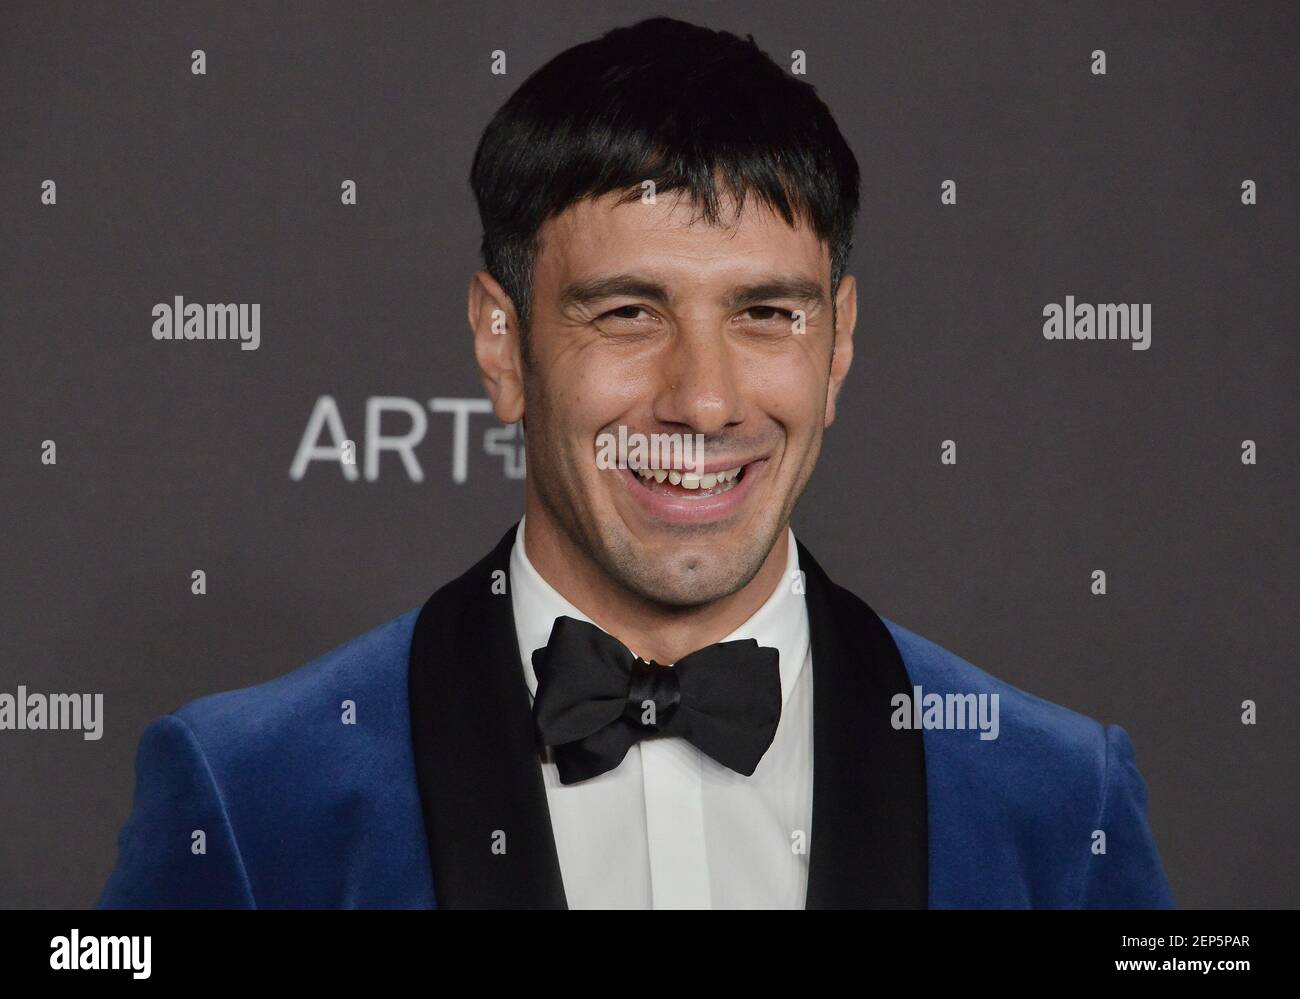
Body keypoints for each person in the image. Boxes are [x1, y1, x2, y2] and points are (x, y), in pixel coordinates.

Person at [97, 16, 1174, 909]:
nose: (702, 399)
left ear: (837, 343)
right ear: (500, 343)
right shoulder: (248, 797)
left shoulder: (1057, 800)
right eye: (625, 312)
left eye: (764, 313)